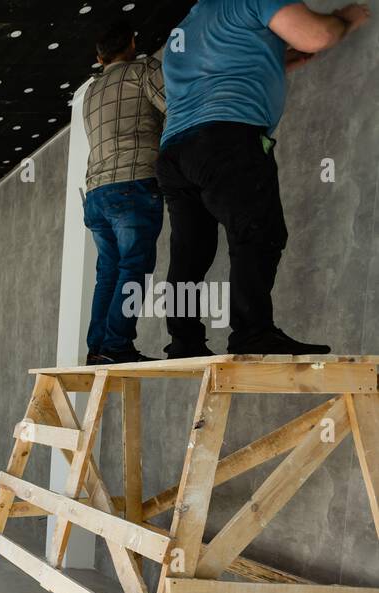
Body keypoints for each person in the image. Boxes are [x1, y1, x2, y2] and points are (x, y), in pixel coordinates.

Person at [157, 0, 370, 358]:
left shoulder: (186, 26)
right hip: (226, 137)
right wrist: (345, 20)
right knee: (258, 233)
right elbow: (317, 35)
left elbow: (215, 66)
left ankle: (184, 341)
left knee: (190, 254)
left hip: (176, 151)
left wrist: (274, 58)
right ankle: (252, 334)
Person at [82, 20, 168, 365]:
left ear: (100, 57)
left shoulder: (91, 91)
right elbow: (176, 105)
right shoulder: (143, 69)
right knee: (134, 266)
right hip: (132, 185)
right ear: (132, 43)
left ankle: (97, 348)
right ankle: (116, 346)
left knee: (109, 271)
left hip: (96, 194)